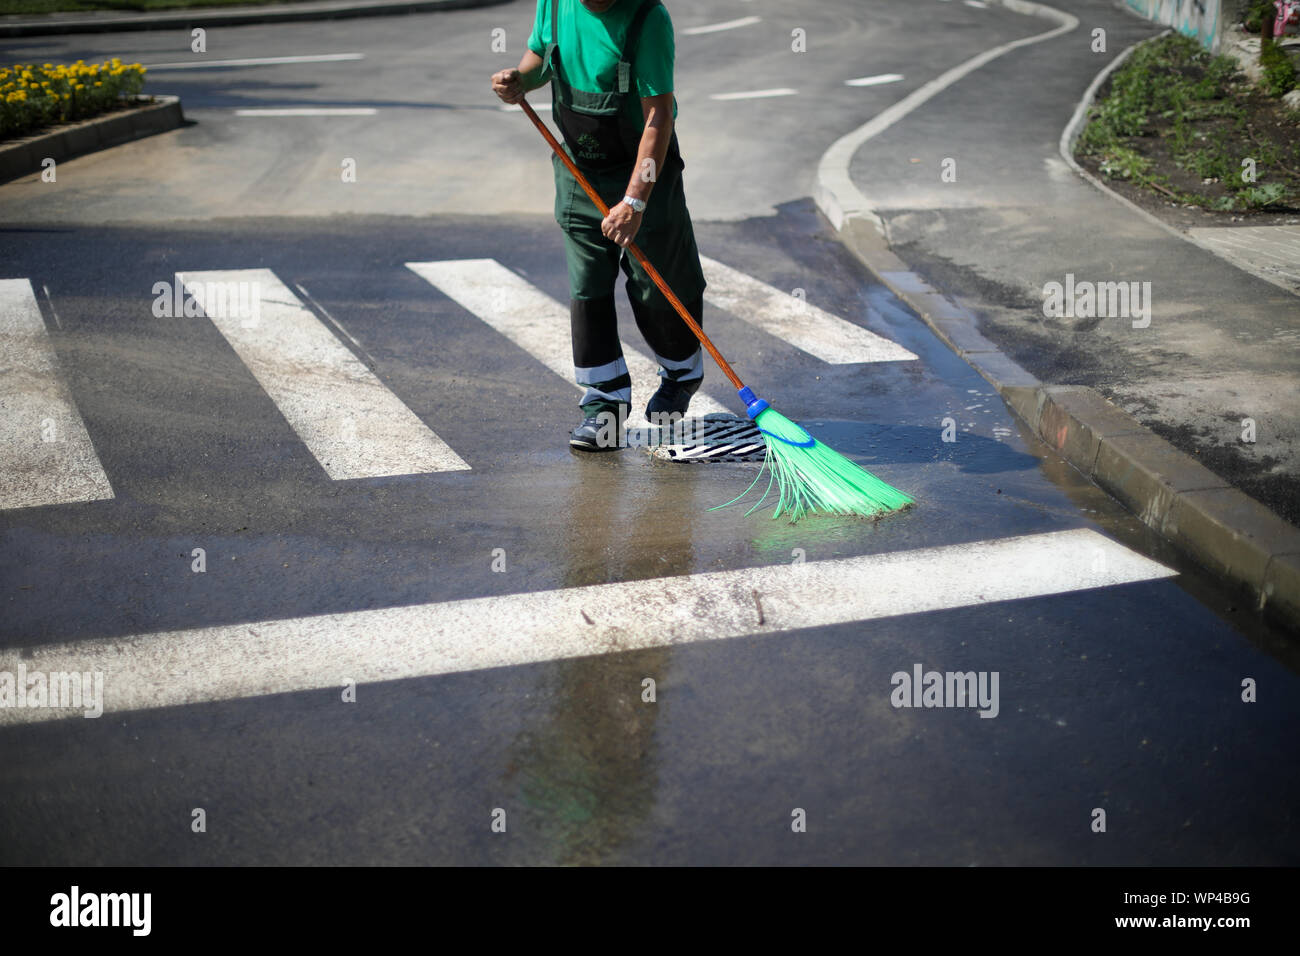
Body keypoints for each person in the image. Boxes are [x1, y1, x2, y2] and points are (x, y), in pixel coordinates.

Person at [491, 0, 707, 451]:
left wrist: (635, 201)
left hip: (643, 169)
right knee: (588, 287)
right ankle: (604, 405)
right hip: (579, 169)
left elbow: (658, 116)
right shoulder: (554, 5)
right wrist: (520, 80)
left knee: (656, 282)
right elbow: (539, 60)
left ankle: (680, 374)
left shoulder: (647, 18)